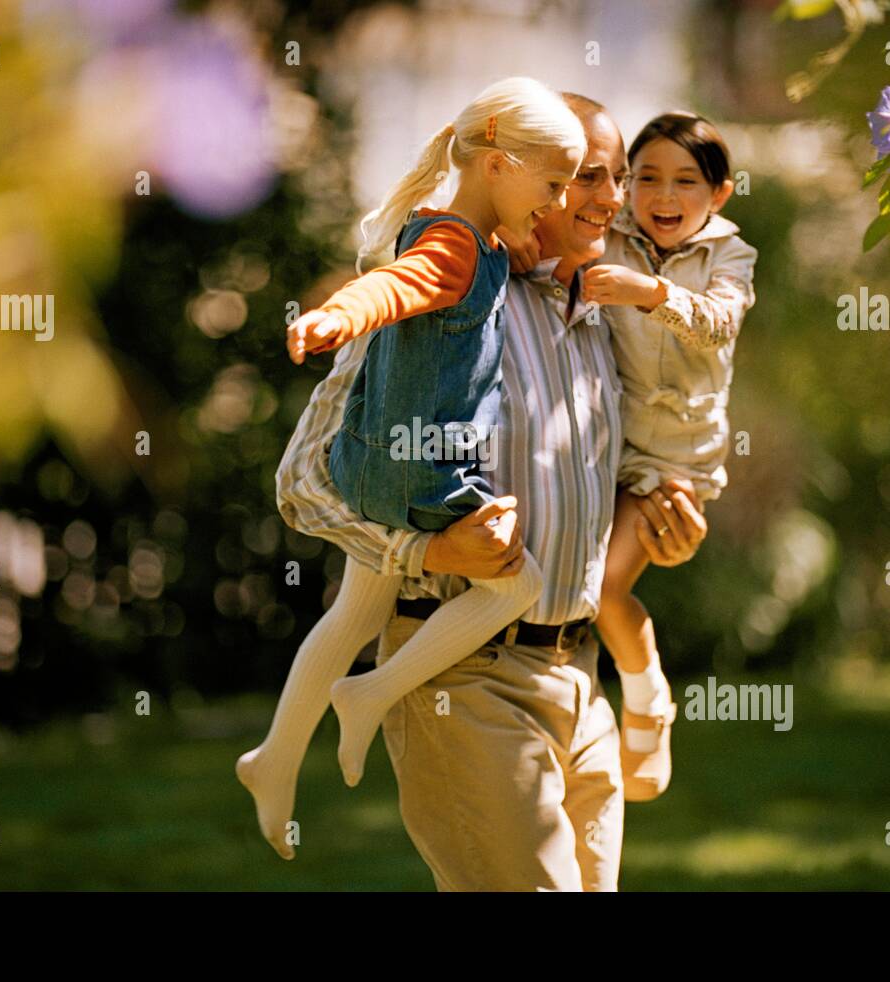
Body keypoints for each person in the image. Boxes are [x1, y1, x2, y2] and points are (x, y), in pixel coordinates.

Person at [274, 93, 708, 890]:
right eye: (583, 177)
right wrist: (426, 547)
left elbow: (590, 488)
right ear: (524, 176)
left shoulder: (604, 318)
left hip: (579, 681)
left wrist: (653, 529)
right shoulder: (449, 298)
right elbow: (311, 480)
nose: (611, 200)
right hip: (463, 679)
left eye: (616, 179)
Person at [236, 76, 586, 860]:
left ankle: (275, 759)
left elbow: (458, 261)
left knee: (358, 612)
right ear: (496, 160)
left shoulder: (474, 235)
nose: (561, 199)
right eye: (553, 181)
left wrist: (520, 231)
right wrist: (339, 313)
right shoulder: (454, 245)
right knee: (518, 583)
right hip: (419, 475)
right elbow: (401, 285)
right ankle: (370, 692)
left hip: (370, 462)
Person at [506, 111, 757, 800]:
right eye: (644, 179)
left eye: (685, 182)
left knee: (605, 587)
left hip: (672, 461)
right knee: (578, 585)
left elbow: (718, 323)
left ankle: (648, 702)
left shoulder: (729, 258)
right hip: (607, 445)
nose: (662, 198)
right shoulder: (611, 233)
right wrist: (520, 241)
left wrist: (652, 293)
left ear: (720, 195)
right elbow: (552, 244)